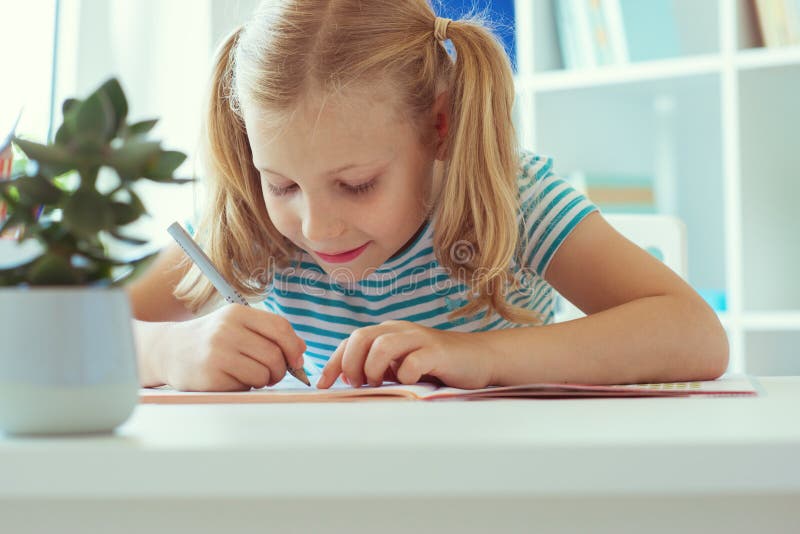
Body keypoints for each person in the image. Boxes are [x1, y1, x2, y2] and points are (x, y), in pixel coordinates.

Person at [127, 0, 728, 392]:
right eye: (282, 183)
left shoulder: (512, 197)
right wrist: (164, 351)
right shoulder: (252, 222)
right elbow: (81, 332)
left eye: (357, 184)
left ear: (438, 126)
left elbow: (695, 333)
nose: (316, 228)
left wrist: (481, 357)